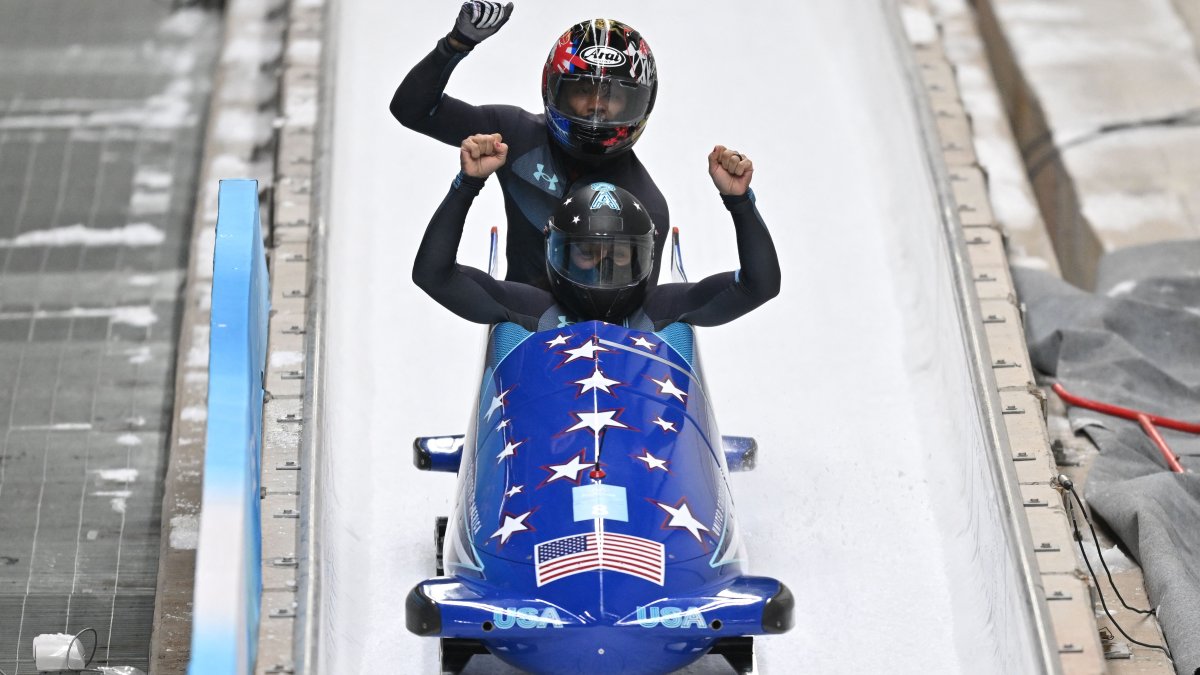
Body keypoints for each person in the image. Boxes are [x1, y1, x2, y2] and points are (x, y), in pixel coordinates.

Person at [391, 2, 669, 290]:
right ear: (554, 89)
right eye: (583, 90)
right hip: (519, 323)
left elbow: (639, 314)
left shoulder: (649, 207)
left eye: (613, 96)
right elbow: (413, 110)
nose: (596, 108)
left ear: (639, 104)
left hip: (580, 329)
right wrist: (455, 45)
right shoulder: (513, 133)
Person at [413, 134, 779, 332]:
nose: (603, 268)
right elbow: (434, 275)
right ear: (559, 255)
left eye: (619, 255)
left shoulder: (662, 309)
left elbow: (758, 286)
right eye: (587, 253)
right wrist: (467, 184)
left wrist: (740, 202)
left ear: (643, 258)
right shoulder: (527, 307)